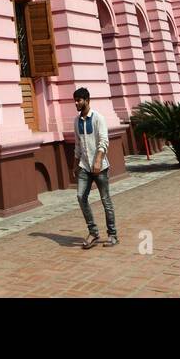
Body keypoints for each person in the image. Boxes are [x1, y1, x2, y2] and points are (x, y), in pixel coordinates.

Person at [73, 87, 117, 249]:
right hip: (84, 166)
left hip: (100, 167)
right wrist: (75, 165)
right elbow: (77, 144)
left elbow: (104, 141)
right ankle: (93, 232)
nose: (76, 103)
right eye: (75, 100)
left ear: (87, 100)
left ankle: (112, 234)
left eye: (79, 100)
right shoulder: (76, 121)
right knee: (80, 196)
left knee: (105, 200)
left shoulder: (98, 118)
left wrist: (98, 161)